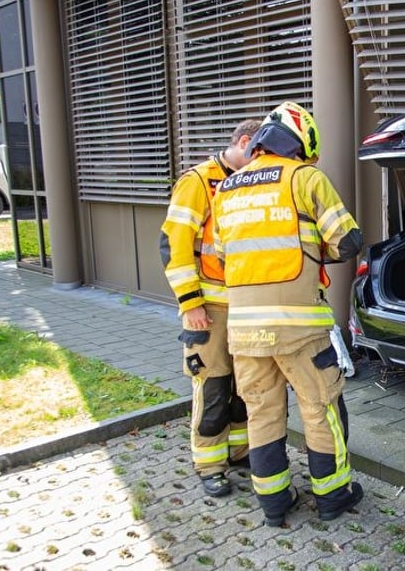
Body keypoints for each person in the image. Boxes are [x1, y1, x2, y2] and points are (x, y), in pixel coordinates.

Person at [212, 101, 365, 527]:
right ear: (300, 145)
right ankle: (334, 495)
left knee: (262, 412)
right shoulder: (305, 178)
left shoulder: (227, 189)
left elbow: (225, 254)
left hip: (244, 330)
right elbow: (348, 241)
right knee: (320, 407)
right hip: (300, 328)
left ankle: (275, 503)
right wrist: (314, 251)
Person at [159, 119, 261, 497]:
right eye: (260, 149)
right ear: (245, 142)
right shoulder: (199, 181)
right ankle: (209, 463)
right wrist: (190, 304)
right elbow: (174, 245)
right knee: (214, 387)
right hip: (209, 308)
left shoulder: (249, 180)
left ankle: (238, 451)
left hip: (245, 308)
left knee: (243, 386)